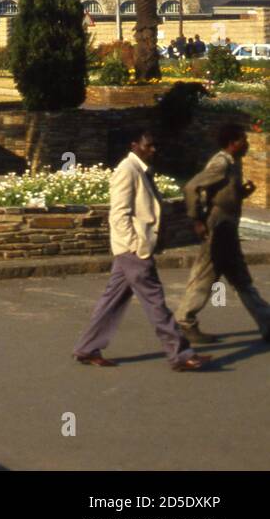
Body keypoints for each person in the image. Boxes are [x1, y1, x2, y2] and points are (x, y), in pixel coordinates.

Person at [71, 128, 210, 371]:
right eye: (149, 145)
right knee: (155, 301)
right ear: (135, 145)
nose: (153, 150)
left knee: (111, 300)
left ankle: (87, 347)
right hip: (134, 251)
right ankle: (179, 353)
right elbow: (119, 213)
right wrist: (134, 246)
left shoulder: (142, 171)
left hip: (133, 249)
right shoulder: (127, 170)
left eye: (155, 145)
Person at [177, 123, 270, 344]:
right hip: (218, 227)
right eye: (243, 140)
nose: (246, 144)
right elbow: (192, 187)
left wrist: (241, 193)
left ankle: (267, 322)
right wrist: (197, 219)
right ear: (233, 143)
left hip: (227, 226)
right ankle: (184, 321)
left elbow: (222, 193)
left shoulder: (231, 164)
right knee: (205, 276)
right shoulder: (220, 163)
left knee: (241, 280)